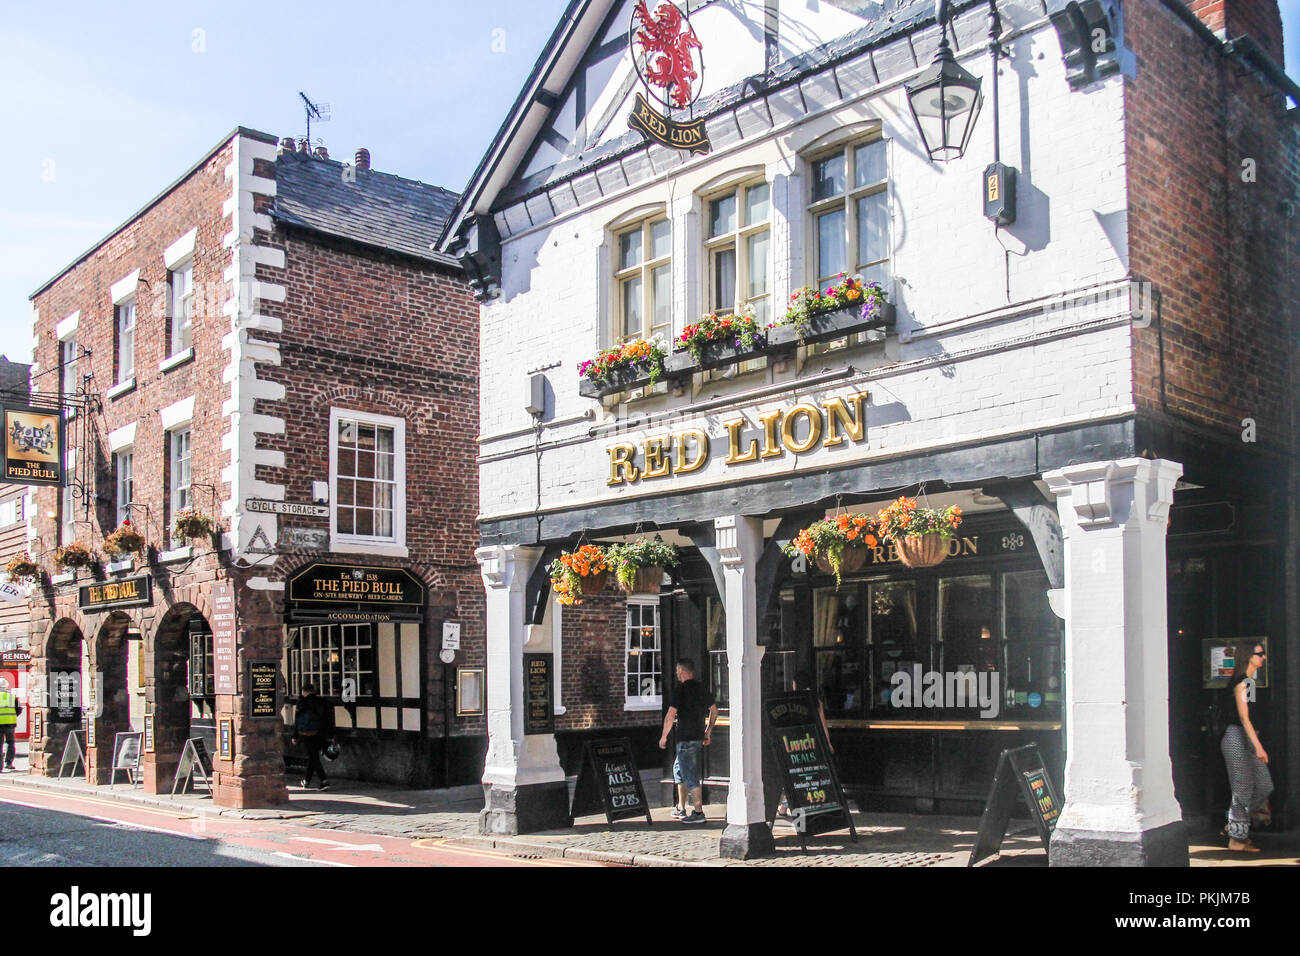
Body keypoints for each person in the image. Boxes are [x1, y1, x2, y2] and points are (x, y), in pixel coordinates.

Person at [1220, 641, 1272, 852]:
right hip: (1236, 737)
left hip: (1249, 737)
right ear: (1248, 656)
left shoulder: (1249, 682)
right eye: (1260, 653)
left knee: (1264, 785)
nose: (1264, 657)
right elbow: (1244, 719)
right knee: (1242, 787)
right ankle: (1237, 840)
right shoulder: (1241, 682)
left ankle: (1233, 826)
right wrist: (1259, 747)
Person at [658, 659, 716, 824]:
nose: (676, 673)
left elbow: (670, 716)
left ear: (682, 671)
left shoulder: (680, 691)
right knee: (679, 769)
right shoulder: (701, 688)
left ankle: (698, 813)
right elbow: (714, 710)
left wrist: (663, 737)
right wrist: (708, 731)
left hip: (685, 738)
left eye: (677, 670)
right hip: (698, 736)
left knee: (689, 774)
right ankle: (680, 807)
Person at [291, 683, 335, 791]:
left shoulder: (302, 702)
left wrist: (295, 736)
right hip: (320, 733)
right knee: (313, 756)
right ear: (313, 690)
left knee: (313, 757)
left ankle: (323, 780)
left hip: (306, 734)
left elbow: (297, 721)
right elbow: (329, 720)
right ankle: (307, 781)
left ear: (304, 691)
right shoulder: (322, 702)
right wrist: (331, 735)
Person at [0, 679, 20, 771]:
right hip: (10, 724)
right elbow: (18, 710)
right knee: (10, 743)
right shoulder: (12, 697)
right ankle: (8, 763)